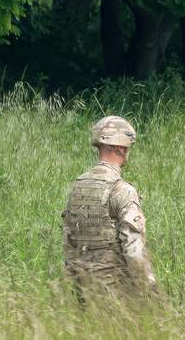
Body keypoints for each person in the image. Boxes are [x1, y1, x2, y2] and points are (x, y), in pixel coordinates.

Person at [62, 115, 158, 299]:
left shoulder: (78, 186)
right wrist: (150, 290)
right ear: (121, 147)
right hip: (117, 294)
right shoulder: (122, 190)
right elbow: (134, 250)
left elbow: (68, 242)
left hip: (83, 291)